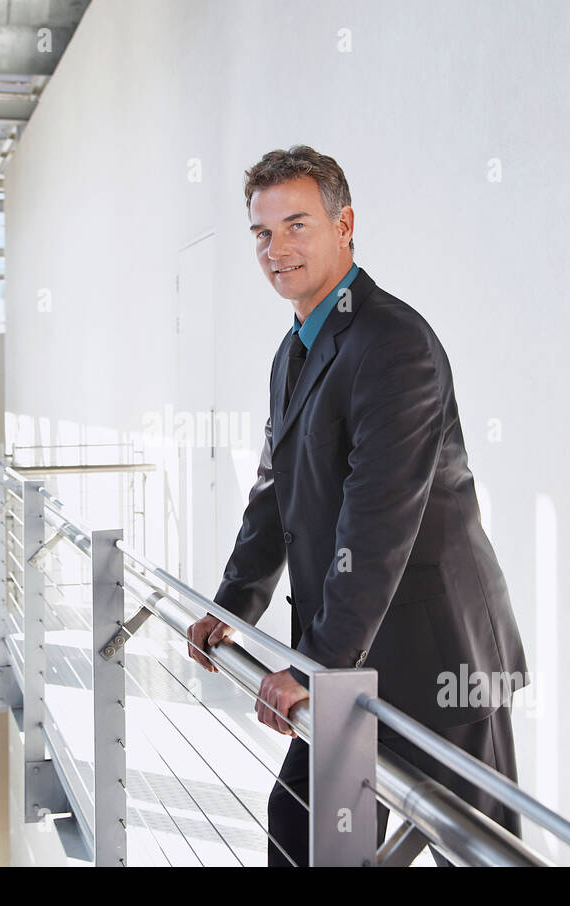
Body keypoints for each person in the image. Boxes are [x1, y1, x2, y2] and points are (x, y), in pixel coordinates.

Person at [186, 145, 530, 867]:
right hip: (354, 656)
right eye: (261, 232)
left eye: (297, 225)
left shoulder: (393, 343)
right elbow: (274, 492)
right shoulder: (292, 353)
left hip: (442, 661)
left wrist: (312, 667)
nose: (276, 249)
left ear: (345, 225)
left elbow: (378, 523)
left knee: (477, 853)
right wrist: (231, 606)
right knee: (299, 822)